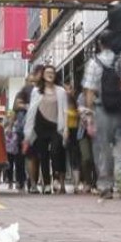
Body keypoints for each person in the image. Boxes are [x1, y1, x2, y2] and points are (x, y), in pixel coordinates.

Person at [82, 31, 121, 200]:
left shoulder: (94, 63)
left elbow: (89, 91)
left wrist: (89, 116)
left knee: (102, 149)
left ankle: (105, 186)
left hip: (102, 109)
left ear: (100, 44)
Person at [23, 64, 69, 194]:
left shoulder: (61, 91)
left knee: (55, 151)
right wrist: (28, 131)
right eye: (47, 72)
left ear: (55, 76)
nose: (50, 74)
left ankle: (55, 176)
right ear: (43, 75)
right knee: (43, 155)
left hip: (56, 126)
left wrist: (66, 128)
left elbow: (65, 111)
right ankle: (47, 184)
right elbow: (31, 111)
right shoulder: (36, 91)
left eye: (52, 72)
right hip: (40, 126)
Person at [2, 99, 28, 191]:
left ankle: (21, 181)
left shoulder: (27, 112)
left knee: (21, 161)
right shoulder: (13, 114)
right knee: (13, 162)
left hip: (22, 138)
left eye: (22, 102)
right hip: (12, 144)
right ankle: (13, 181)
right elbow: (7, 127)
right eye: (18, 103)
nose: (20, 104)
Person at [63, 82, 84, 194]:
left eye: (70, 88)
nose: (67, 91)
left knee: (75, 157)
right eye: (65, 89)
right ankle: (61, 182)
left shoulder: (76, 103)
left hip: (75, 131)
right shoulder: (61, 102)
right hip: (64, 131)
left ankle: (76, 183)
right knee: (63, 156)